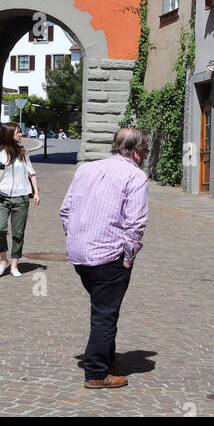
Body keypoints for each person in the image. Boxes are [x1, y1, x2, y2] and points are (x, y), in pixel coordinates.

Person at [59, 126, 149, 389]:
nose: (144, 155)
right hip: (110, 255)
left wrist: (75, 238)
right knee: (104, 314)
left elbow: (65, 211)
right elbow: (135, 224)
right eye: (144, 150)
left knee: (103, 307)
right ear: (135, 152)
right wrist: (129, 256)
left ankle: (106, 357)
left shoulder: (85, 169)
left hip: (80, 255)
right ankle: (97, 373)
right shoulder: (135, 176)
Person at [0, 122, 40, 277]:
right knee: (0, 228)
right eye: (18, 132)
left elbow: (31, 173)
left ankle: (15, 264)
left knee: (18, 233)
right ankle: (3, 261)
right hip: (1, 197)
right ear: (8, 134)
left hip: (21, 197)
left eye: (20, 132)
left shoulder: (23, 151)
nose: (21, 135)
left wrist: (36, 192)